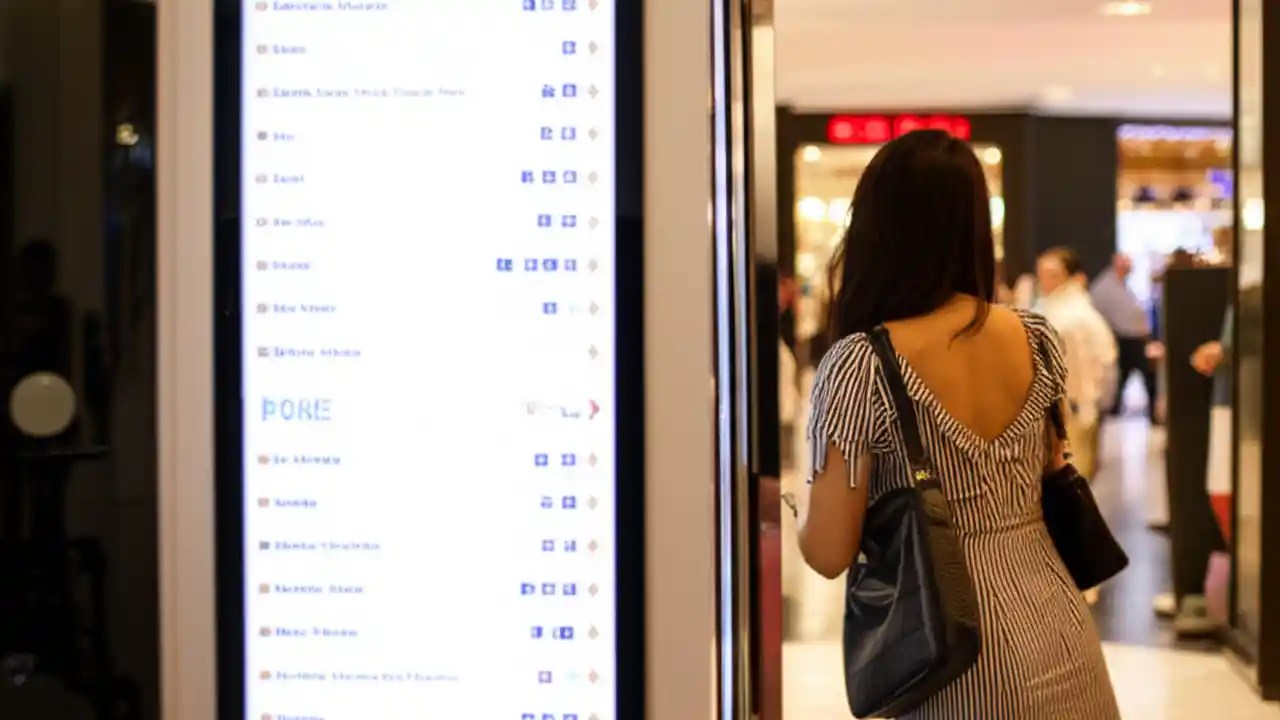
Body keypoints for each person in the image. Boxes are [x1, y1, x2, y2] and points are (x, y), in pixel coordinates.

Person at [797, 130, 1119, 718]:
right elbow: (1052, 473)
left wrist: (799, 506)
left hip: (946, 652)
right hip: (1059, 627)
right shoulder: (1034, 336)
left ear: (875, 229)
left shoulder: (861, 362)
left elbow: (828, 550)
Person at [1035, 247, 1118, 480]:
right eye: (1041, 273)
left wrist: (1087, 406)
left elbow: (1098, 363)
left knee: (1073, 481)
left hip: (1072, 409)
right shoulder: (1048, 309)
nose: (1045, 280)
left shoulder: (1076, 315)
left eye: (1053, 274)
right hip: (1052, 414)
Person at [1091, 253, 1159, 421]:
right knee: (1121, 380)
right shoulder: (1104, 287)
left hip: (1136, 339)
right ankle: (1112, 413)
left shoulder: (1123, 285)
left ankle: (1149, 413)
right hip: (1123, 340)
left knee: (1145, 379)